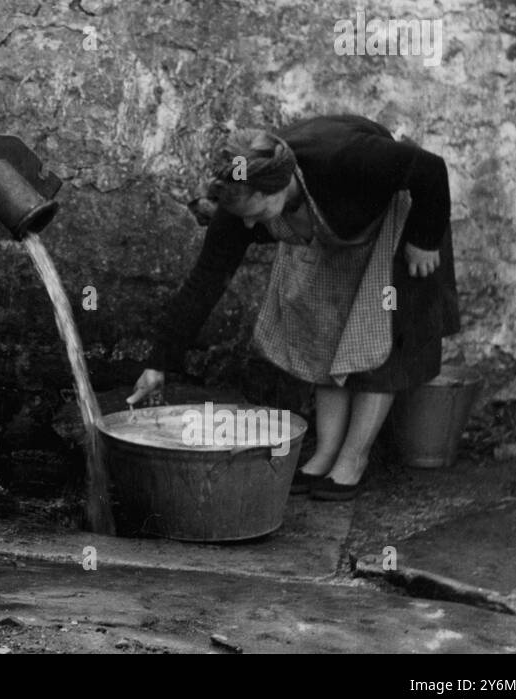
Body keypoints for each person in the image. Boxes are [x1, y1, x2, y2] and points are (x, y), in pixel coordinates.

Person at [128, 114, 460, 500]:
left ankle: (353, 459)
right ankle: (324, 455)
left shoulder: (345, 159)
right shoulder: (241, 200)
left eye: (257, 213)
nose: (250, 226)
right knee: (324, 333)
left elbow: (430, 168)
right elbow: (204, 282)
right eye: (242, 218)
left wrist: (424, 237)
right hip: (333, 230)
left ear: (281, 185)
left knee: (376, 340)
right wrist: (158, 363)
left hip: (397, 219)